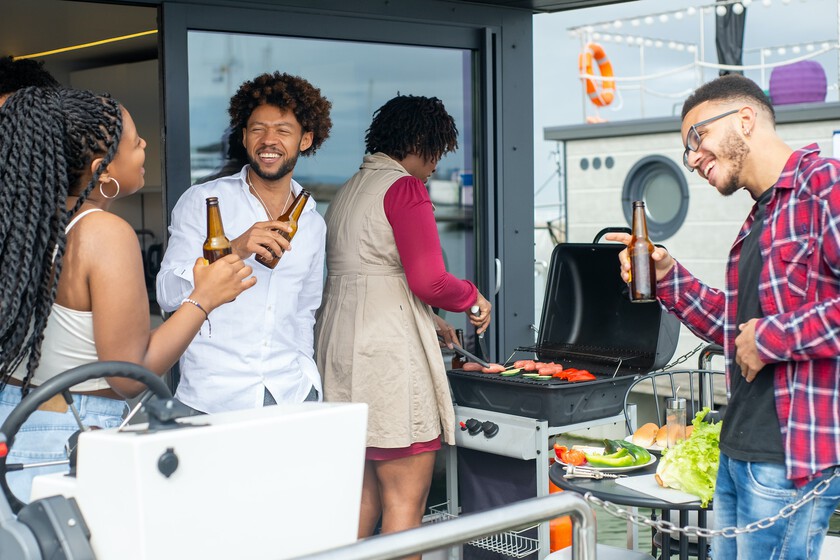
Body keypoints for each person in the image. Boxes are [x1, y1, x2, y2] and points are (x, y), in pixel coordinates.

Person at [606, 74, 840, 560]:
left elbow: (760, 337)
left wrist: (773, 337)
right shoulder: (758, 218)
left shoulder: (825, 184)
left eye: (696, 139)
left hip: (788, 461)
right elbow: (733, 329)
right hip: (737, 453)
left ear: (745, 119)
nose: (691, 159)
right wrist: (668, 275)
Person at [0, 86, 255, 500]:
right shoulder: (103, 232)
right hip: (72, 433)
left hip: (15, 417)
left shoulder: (19, 225)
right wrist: (204, 298)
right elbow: (128, 375)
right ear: (103, 170)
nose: (145, 145)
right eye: (135, 142)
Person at [314, 94, 492, 550]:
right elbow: (430, 280)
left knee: (362, 501)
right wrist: (471, 296)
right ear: (419, 143)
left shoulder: (349, 189)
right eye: (436, 151)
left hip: (339, 351)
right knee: (404, 504)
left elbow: (369, 274)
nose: (435, 165)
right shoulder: (405, 187)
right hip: (387, 360)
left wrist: (428, 319)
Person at [156, 72, 333, 413]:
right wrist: (234, 249)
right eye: (257, 129)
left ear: (306, 139)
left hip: (290, 395)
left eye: (283, 130)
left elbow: (303, 312)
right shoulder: (204, 201)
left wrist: (309, 380)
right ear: (244, 135)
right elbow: (166, 294)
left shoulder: (312, 222)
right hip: (212, 399)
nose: (269, 140)